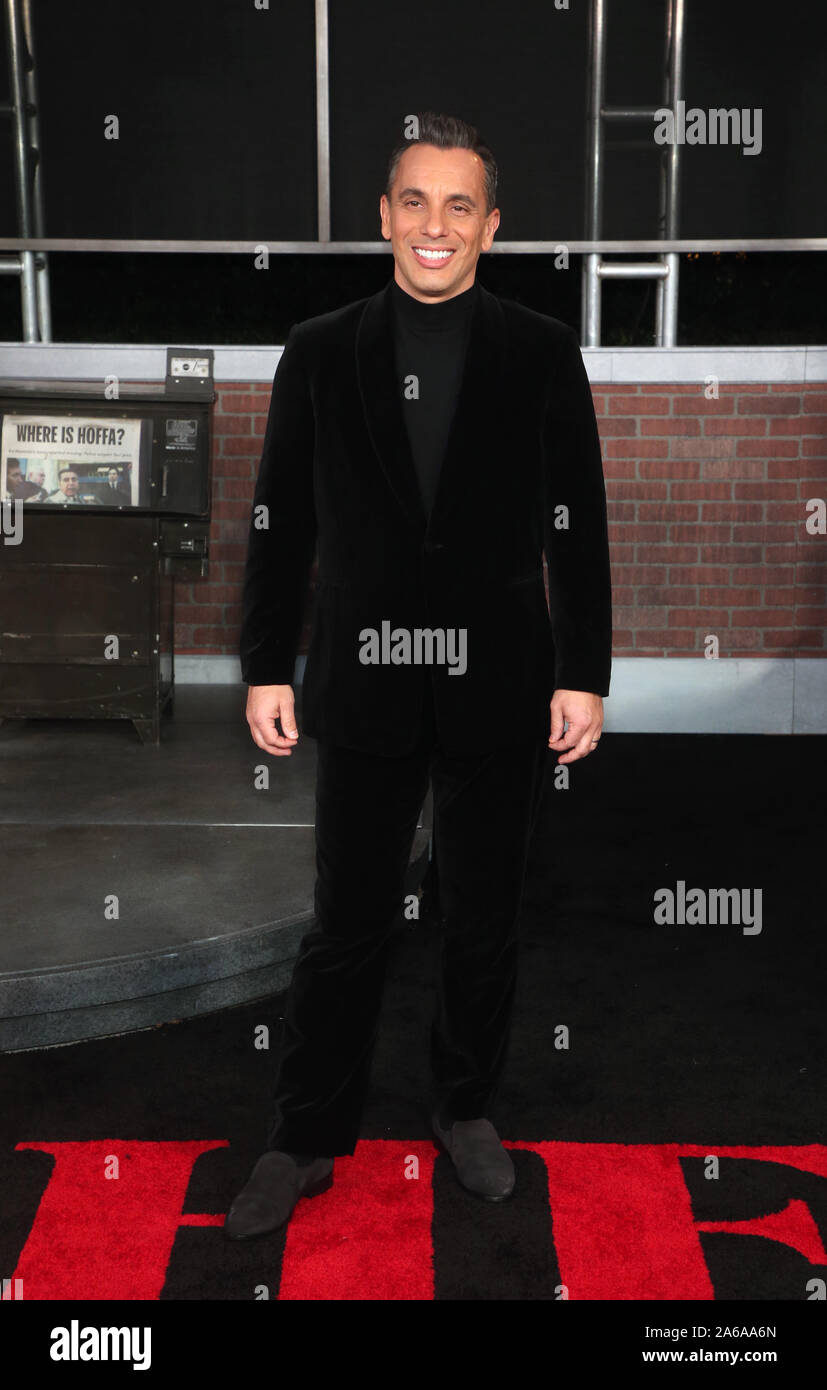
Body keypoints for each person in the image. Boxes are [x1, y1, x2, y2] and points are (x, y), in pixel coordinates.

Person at [225, 111, 612, 1241]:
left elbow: (574, 529)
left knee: (482, 915)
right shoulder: (318, 348)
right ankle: (303, 1133)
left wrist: (582, 670)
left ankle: (463, 1107)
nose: (431, 226)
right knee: (344, 920)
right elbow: (278, 522)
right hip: (364, 680)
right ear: (382, 215)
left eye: (457, 205)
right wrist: (262, 665)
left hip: (501, 680)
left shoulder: (540, 351)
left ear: (491, 226)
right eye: (412, 201)